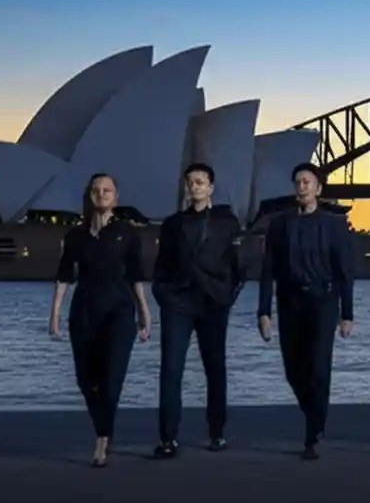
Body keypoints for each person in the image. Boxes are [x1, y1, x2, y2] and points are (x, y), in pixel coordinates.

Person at [49, 173, 152, 468]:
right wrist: (55, 314)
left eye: (108, 190)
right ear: (89, 195)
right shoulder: (76, 236)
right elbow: (64, 275)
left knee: (111, 378)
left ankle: (102, 438)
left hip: (119, 312)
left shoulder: (126, 232)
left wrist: (144, 312)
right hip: (84, 311)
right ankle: (103, 428)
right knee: (86, 380)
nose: (102, 194)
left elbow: (136, 274)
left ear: (116, 197)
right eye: (97, 189)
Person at [257, 162, 355, 461]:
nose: (302, 187)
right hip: (290, 301)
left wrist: (347, 313)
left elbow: (345, 272)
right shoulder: (280, 224)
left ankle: (313, 433)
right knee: (293, 370)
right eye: (298, 182)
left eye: (307, 182)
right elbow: (267, 270)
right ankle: (313, 412)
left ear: (318, 188)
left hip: (323, 301)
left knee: (319, 367)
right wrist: (264, 311)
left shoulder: (333, 224)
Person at [150, 162, 248, 459]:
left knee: (215, 368)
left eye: (200, 182)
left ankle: (217, 432)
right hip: (178, 302)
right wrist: (163, 294)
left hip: (213, 302)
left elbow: (238, 265)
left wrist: (227, 296)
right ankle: (168, 438)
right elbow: (161, 265)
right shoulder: (172, 224)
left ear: (211, 188)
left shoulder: (227, 222)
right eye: (190, 182)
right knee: (171, 369)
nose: (194, 187)